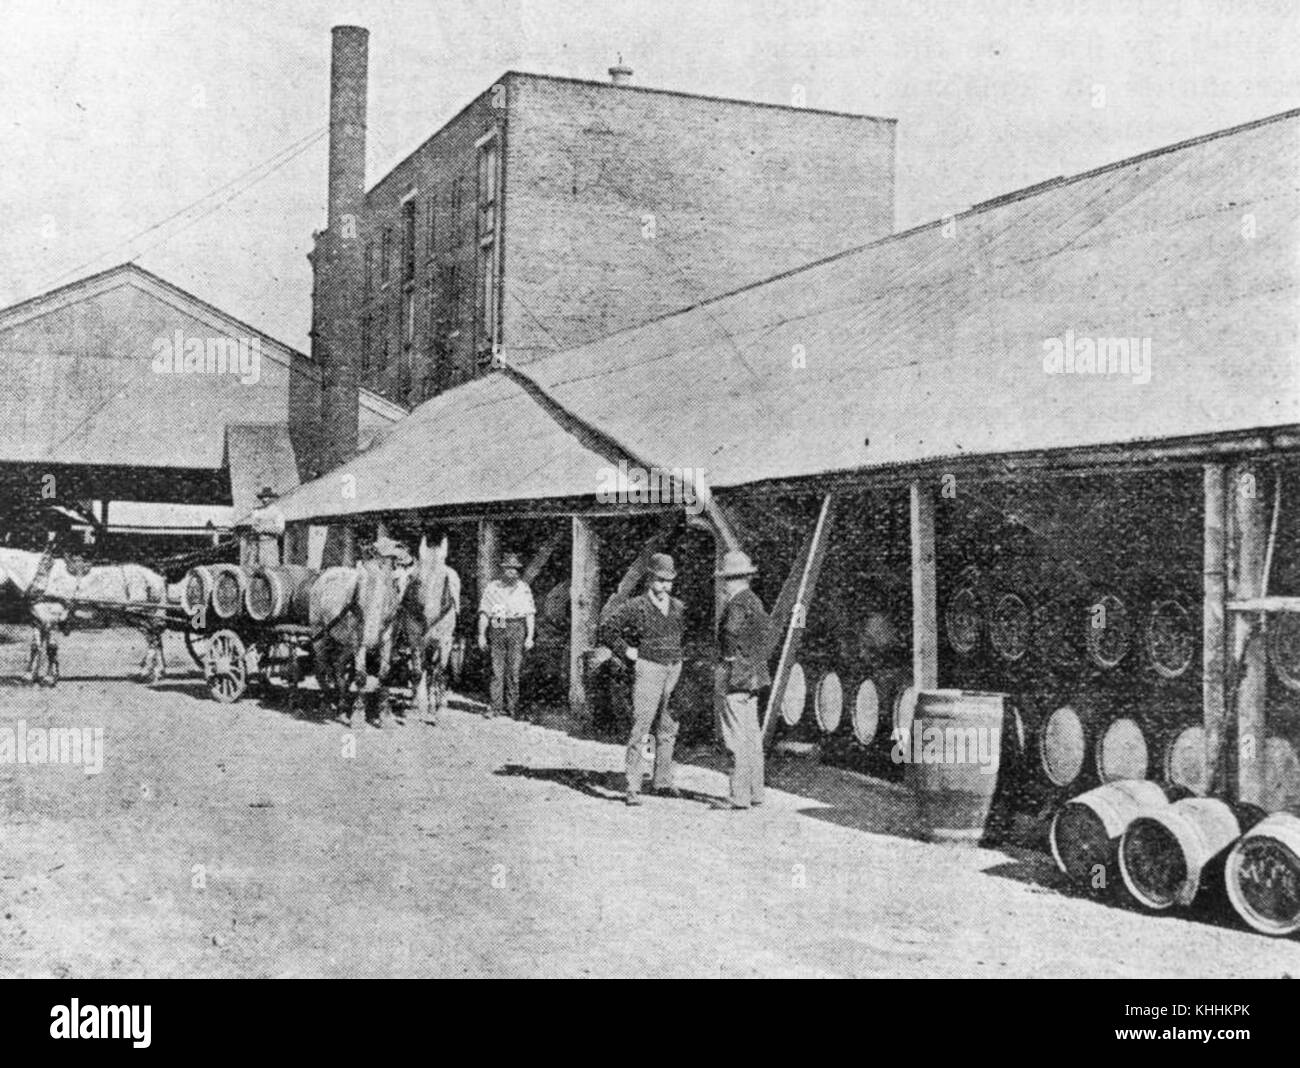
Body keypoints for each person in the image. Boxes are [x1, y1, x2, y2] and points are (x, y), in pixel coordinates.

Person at [599, 552, 687, 806]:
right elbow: (606, 629)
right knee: (642, 727)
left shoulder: (679, 608)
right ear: (650, 579)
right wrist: (626, 650)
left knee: (669, 727)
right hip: (648, 668)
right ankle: (633, 786)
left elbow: (687, 636)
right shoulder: (636, 606)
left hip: (674, 668)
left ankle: (662, 781)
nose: (665, 586)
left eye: (669, 581)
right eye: (660, 580)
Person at [715, 549, 771, 810]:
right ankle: (756, 792)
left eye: (725, 580)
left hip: (736, 678)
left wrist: (728, 661)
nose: (723, 585)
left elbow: (729, 632)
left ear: (732, 579)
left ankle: (738, 795)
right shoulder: (756, 602)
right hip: (755, 678)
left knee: (735, 737)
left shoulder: (736, 604)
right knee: (752, 738)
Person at [477, 553, 535, 719]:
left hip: (517, 625)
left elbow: (530, 613)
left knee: (514, 669)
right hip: (499, 621)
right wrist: (481, 634)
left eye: (515, 569)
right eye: (509, 569)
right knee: (497, 669)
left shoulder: (524, 588)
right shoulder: (493, 587)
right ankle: (495, 706)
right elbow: (485, 612)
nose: (512, 572)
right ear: (503, 570)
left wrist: (529, 636)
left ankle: (513, 708)